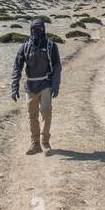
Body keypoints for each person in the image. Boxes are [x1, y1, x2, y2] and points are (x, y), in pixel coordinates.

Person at [10, 18, 61, 155]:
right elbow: (17, 67)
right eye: (33, 29)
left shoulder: (51, 46)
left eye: (39, 29)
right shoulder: (25, 47)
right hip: (30, 85)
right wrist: (14, 86)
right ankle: (35, 143)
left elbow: (57, 67)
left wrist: (55, 85)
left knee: (46, 112)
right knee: (32, 115)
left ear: (44, 29)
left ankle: (45, 142)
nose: (36, 31)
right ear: (30, 30)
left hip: (45, 84)